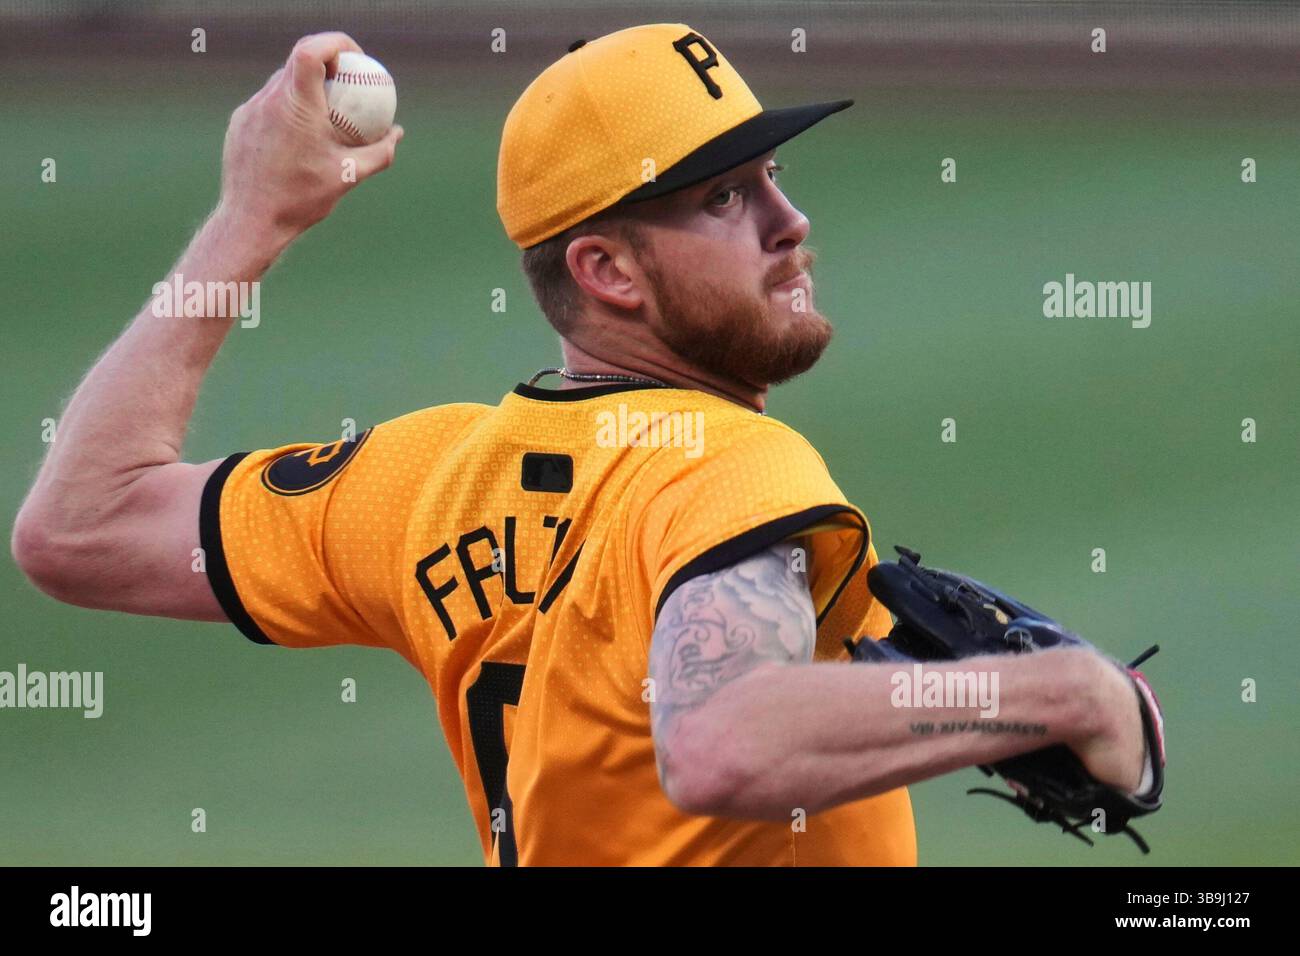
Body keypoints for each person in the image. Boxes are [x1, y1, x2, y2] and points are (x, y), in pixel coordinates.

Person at [12, 24, 1149, 866]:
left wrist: (249, 218)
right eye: (721, 197)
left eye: (771, 174)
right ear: (607, 271)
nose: (787, 220)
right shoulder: (730, 467)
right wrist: (1059, 692)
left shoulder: (428, 483)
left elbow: (81, 526)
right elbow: (717, 744)